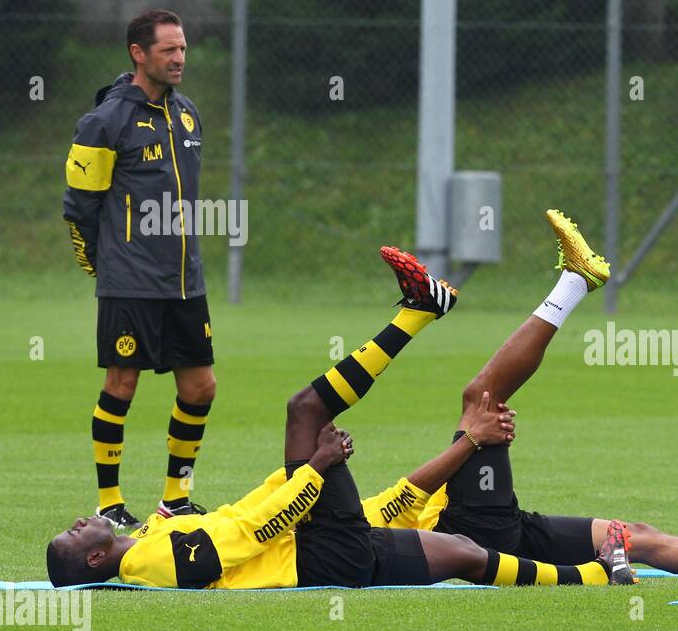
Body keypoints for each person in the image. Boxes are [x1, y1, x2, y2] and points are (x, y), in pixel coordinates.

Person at [45, 249, 636, 590]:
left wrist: (300, 479)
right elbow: (252, 530)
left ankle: (597, 578)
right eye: (75, 534)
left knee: (462, 550)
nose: (78, 521)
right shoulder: (151, 563)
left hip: (327, 539)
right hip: (320, 551)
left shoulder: (146, 539)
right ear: (95, 561)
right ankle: (420, 313)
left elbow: (374, 502)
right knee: (306, 408)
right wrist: (314, 470)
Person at [404, 209, 678, 576]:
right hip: (463, 533)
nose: (340, 438)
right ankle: (575, 280)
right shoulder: (362, 518)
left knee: (633, 535)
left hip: (495, 530)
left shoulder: (352, 515)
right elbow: (411, 494)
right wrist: (473, 439)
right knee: (482, 396)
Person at [63, 9, 214, 530]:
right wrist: (100, 267)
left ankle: (176, 498)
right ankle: (109, 503)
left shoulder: (187, 113)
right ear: (138, 53)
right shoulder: (104, 122)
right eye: (169, 50)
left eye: (183, 49)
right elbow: (79, 207)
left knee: (201, 388)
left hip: (184, 282)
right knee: (121, 385)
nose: (179, 59)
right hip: (129, 281)